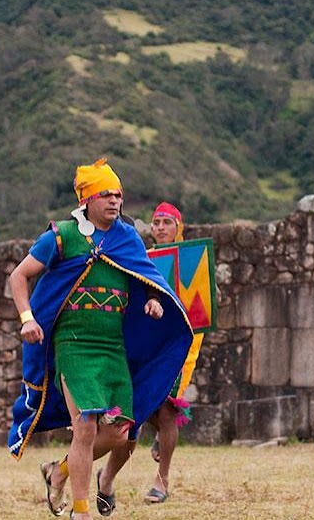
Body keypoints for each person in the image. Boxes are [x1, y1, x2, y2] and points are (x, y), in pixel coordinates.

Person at [6, 158, 193, 519]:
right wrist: (27, 318)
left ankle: (59, 471)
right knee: (87, 425)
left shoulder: (127, 238)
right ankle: (81, 511)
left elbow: (146, 281)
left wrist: (154, 302)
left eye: (118, 195)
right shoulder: (62, 235)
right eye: (105, 194)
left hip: (113, 348)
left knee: (122, 433)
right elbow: (18, 276)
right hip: (73, 345)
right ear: (86, 200)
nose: (114, 201)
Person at [97, 201, 204, 511]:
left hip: (178, 349)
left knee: (168, 413)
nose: (159, 227)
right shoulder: (138, 258)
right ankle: (106, 478)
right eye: (156, 222)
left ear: (178, 228)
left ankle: (162, 480)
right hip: (145, 349)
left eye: (166, 222)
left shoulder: (192, 259)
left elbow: (206, 301)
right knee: (134, 419)